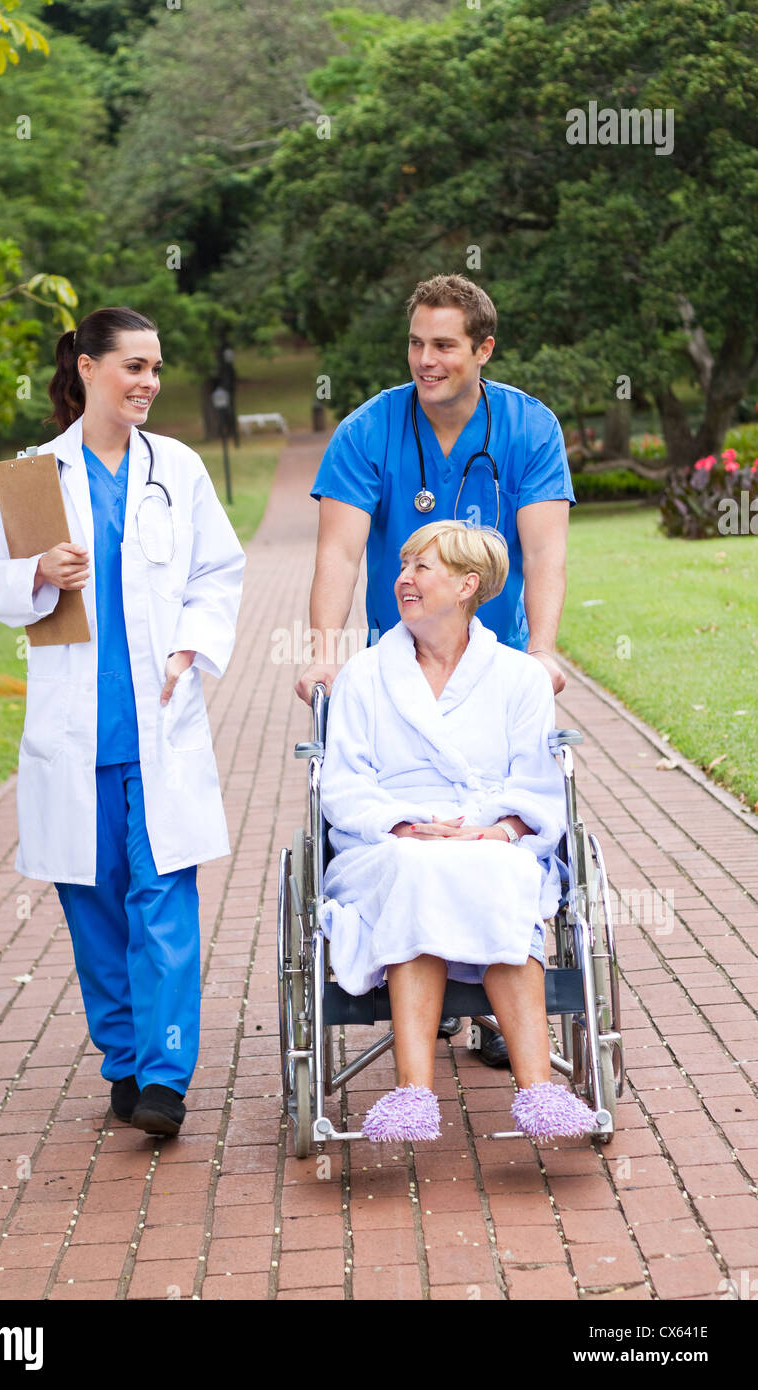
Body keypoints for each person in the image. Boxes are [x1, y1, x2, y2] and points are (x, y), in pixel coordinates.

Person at [0, 307, 245, 1138]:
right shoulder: (28, 480)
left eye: (157, 368)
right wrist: (37, 574)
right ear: (87, 368)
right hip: (73, 736)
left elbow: (218, 573)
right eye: (133, 367)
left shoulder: (180, 468)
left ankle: (163, 1077)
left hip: (157, 725)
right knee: (95, 911)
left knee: (165, 906)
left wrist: (189, 649)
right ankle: (122, 1058)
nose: (149, 383)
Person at [296, 273, 576, 1066]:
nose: (427, 359)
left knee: (489, 805)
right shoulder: (367, 430)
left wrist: (542, 650)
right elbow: (340, 550)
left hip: (494, 645)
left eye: (445, 345)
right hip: (404, 648)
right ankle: (429, 981)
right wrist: (323, 652)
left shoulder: (527, 426)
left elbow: (545, 550)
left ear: (483, 348)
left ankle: (489, 1009)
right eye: (417, 343)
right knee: (415, 807)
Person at [319, 521, 597, 1142]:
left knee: (497, 869)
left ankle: (539, 1092)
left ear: (469, 584)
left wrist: (496, 833)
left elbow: (536, 783)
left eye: (423, 567)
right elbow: (342, 785)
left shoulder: (519, 677)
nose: (404, 579)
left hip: (489, 839)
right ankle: (413, 1094)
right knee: (418, 867)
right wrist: (402, 825)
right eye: (403, 566)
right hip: (388, 842)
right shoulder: (363, 676)